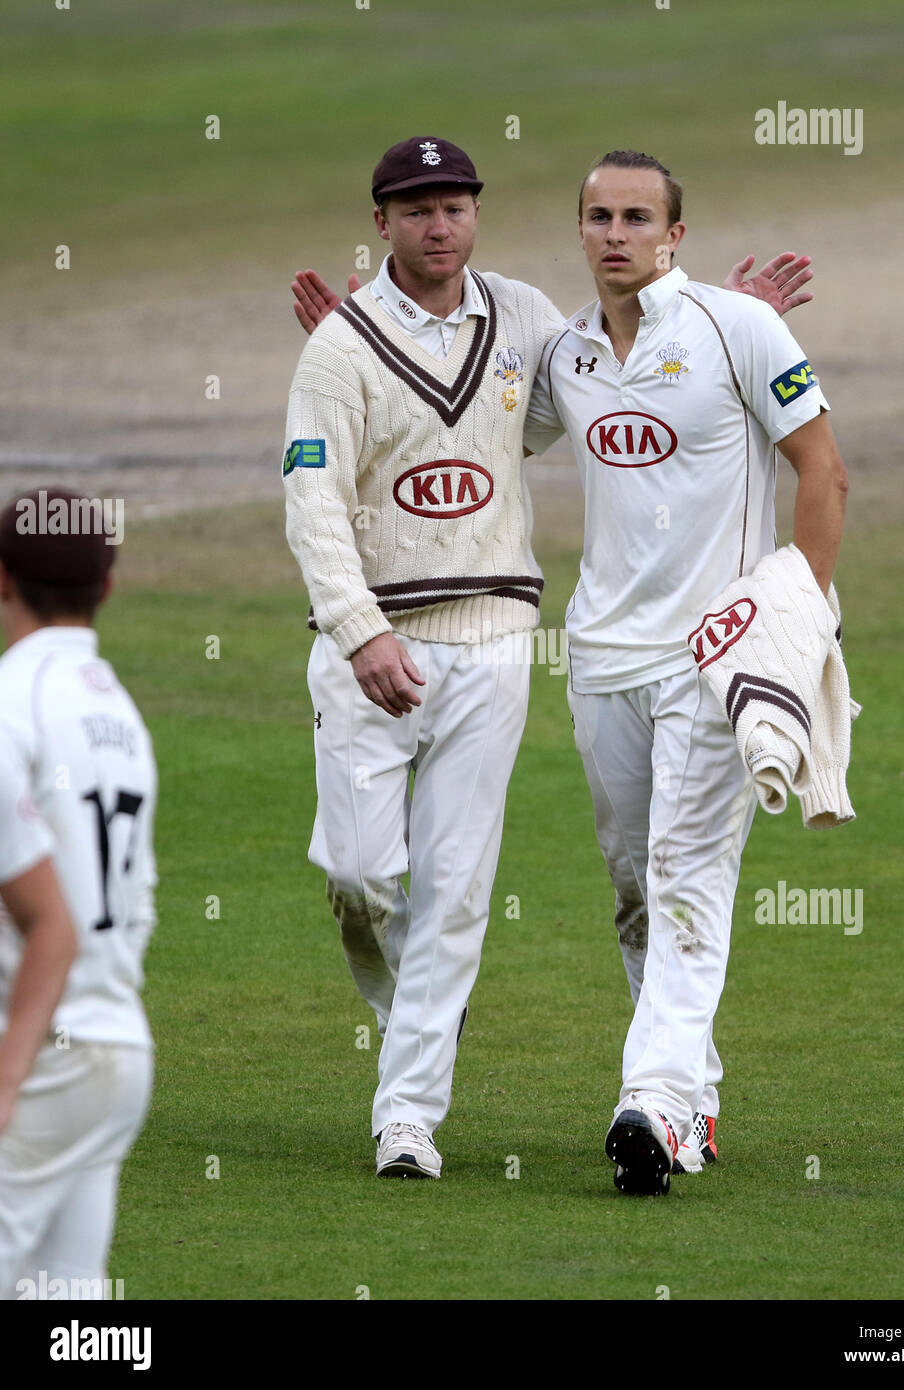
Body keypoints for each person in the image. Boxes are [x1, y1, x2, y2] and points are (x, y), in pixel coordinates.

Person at [284, 137, 814, 1182]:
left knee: (499, 889)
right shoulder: (396, 349)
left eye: (456, 206)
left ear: (477, 215)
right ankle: (431, 1020)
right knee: (363, 877)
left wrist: (738, 333)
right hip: (422, 651)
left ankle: (439, 1114)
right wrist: (358, 342)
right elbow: (359, 489)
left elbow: (655, 396)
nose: (439, 225)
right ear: (382, 219)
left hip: (524, 646)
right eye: (416, 209)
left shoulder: (530, 317)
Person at [520, 151, 848, 1194]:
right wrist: (370, 346)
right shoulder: (564, 355)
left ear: (676, 234)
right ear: (579, 231)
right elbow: (476, 432)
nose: (615, 232)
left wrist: (799, 611)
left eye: (637, 217)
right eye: (598, 216)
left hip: (714, 660)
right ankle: (693, 1104)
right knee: (634, 892)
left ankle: (650, 1104)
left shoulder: (739, 327)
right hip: (601, 659)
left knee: (687, 877)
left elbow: (823, 469)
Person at [0, 487, 158, 1296]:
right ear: (107, 586)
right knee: (72, 1308)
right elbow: (138, 905)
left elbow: (49, 928)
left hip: (38, 1056)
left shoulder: (9, 706)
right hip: (118, 1049)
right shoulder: (121, 718)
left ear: (1, 579)